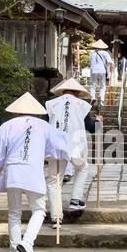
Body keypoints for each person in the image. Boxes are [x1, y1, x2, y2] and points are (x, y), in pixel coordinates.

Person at [0, 91, 69, 252]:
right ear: (36, 111)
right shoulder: (43, 126)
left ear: (18, 111)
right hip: (33, 172)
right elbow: (58, 146)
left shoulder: (8, 126)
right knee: (39, 210)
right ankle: (27, 242)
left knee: (14, 213)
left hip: (12, 171)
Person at [46, 76, 92, 224]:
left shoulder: (50, 104)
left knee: (54, 181)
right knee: (82, 168)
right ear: (77, 93)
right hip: (75, 144)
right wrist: (98, 122)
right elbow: (91, 127)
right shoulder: (82, 105)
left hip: (55, 144)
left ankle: (56, 218)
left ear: (63, 91)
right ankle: (75, 199)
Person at [88, 39, 111, 105]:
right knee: (102, 86)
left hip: (93, 70)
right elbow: (109, 62)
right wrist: (113, 64)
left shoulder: (91, 53)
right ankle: (101, 99)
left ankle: (93, 98)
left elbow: (90, 62)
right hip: (102, 70)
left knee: (92, 85)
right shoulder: (105, 53)